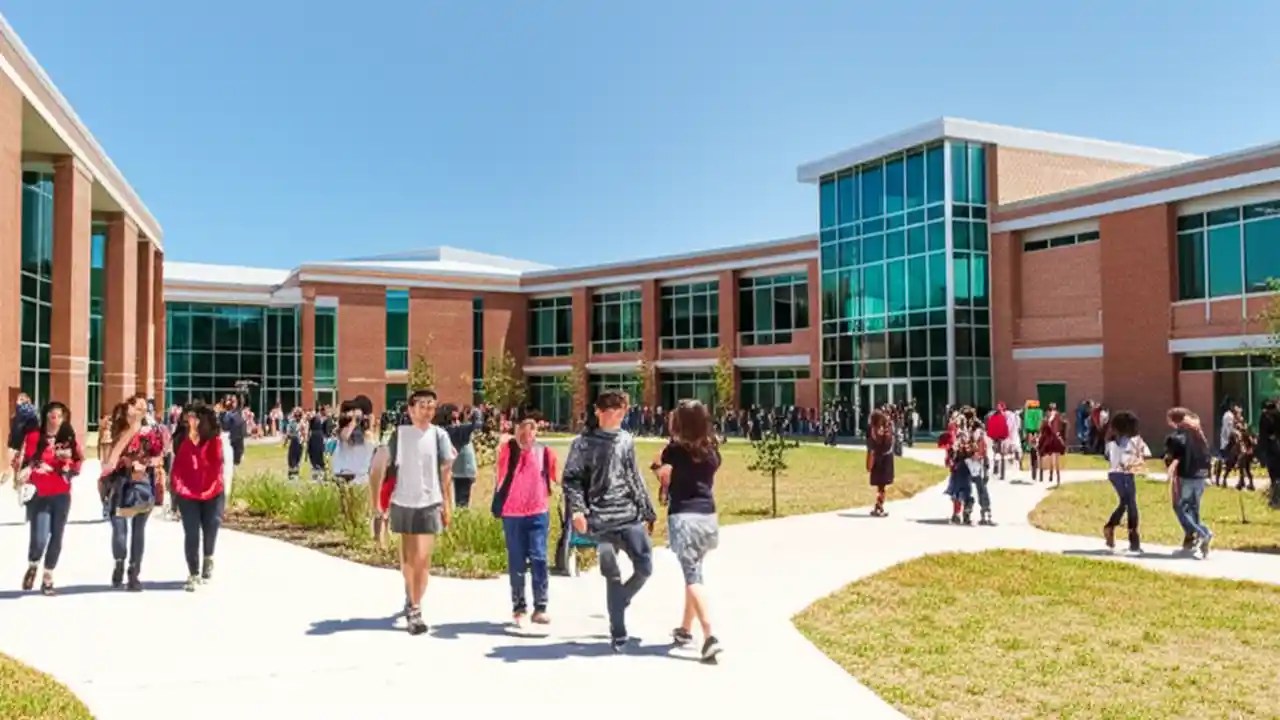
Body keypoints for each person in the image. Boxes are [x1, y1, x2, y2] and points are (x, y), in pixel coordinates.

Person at [562, 390, 657, 652]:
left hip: (628, 516)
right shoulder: (583, 443)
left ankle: (620, 600)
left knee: (645, 566)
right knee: (611, 573)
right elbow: (571, 480)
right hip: (600, 520)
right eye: (612, 411)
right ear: (599, 412)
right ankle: (618, 630)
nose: (617, 416)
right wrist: (578, 510)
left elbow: (634, 476)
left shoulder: (626, 440)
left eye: (621, 411)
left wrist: (647, 510)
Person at [654, 399, 723, 663]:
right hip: (708, 516)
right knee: (694, 572)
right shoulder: (711, 450)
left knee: (693, 577)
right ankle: (685, 629)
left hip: (684, 516)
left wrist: (658, 471)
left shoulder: (673, 451)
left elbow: (665, 473)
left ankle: (709, 636)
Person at [384, 389, 455, 635]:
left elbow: (447, 473)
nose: (427, 411)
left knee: (422, 558)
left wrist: (447, 504)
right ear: (410, 409)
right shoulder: (399, 436)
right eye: (423, 405)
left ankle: (415, 609)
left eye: (431, 406)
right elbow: (385, 467)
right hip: (402, 503)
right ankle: (410, 593)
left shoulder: (439, 436)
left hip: (430, 503)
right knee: (407, 559)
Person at [493, 413, 558, 628]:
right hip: (512, 514)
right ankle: (519, 607)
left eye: (531, 429)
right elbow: (499, 470)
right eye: (523, 428)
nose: (527, 434)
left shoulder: (545, 452)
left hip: (538, 512)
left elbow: (557, 477)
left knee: (539, 558)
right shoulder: (507, 451)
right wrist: (506, 443)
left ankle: (541, 606)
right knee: (517, 562)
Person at [103, 394, 168, 590]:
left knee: (139, 529)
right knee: (119, 530)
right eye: (136, 406)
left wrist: (144, 463)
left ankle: (134, 572)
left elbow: (159, 457)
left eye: (143, 408)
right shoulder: (115, 430)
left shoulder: (151, 433)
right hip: (120, 485)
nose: (139, 410)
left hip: (141, 484)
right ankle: (119, 562)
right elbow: (107, 461)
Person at [18, 402, 82, 595]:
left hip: (62, 493)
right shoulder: (34, 437)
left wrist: (68, 467)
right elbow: (29, 460)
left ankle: (48, 576)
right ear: (46, 417)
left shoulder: (68, 438)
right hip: (40, 493)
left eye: (59, 416)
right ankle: (33, 564)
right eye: (52, 416)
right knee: (39, 537)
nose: (55, 420)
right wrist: (35, 467)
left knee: (57, 535)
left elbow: (78, 461)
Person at [171, 402, 226, 591]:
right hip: (187, 491)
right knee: (192, 532)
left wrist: (197, 439)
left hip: (212, 490)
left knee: (211, 526)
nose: (191, 423)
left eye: (195, 419)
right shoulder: (180, 439)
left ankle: (208, 556)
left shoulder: (216, 441)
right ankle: (193, 572)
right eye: (189, 419)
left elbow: (216, 463)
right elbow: (177, 464)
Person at [1165, 407, 1213, 559]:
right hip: (1200, 476)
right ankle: (1196, 538)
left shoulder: (1176, 437)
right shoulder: (1199, 435)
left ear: (1174, 420)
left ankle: (1203, 533)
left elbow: (1173, 458)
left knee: (1181, 507)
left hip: (1186, 476)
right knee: (1194, 509)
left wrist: (1170, 469)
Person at [1102, 410, 1147, 554]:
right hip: (1124, 474)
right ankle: (1133, 540)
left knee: (1126, 503)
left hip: (1116, 475)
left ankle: (1111, 527)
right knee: (1130, 504)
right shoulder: (1133, 440)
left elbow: (1108, 457)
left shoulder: (1111, 442)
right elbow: (1144, 454)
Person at [443, 403, 479, 508]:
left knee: (458, 498)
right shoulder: (461, 430)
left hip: (456, 469)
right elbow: (476, 425)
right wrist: (475, 413)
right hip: (466, 470)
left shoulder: (445, 431)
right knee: (463, 501)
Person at [866, 408, 894, 517]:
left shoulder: (873, 430)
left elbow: (871, 446)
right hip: (885, 460)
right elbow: (887, 443)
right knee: (881, 486)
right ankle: (879, 506)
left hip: (878, 459)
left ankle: (879, 506)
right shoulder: (884, 430)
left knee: (880, 486)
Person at [6, 393, 38, 490]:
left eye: (22, 399)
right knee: (16, 462)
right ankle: (16, 481)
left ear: (27, 400)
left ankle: (18, 481)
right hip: (17, 440)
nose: (19, 401)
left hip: (22, 440)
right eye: (19, 399)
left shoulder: (27, 411)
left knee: (19, 461)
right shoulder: (21, 412)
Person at [1037, 402, 1067, 486]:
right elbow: (1043, 429)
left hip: (1053, 439)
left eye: (1052, 410)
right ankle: (1051, 474)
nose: (1051, 412)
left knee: (1054, 458)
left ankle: (1056, 476)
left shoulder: (1054, 418)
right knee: (1051, 458)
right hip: (1051, 439)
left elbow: (1062, 427)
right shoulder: (1049, 419)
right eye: (1051, 410)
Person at [220, 395, 247, 468]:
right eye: (229, 401)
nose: (230, 403)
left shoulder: (238, 414)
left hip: (235, 441)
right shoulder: (222, 414)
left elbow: (240, 431)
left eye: (233, 401)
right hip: (225, 441)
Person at [284, 408, 305, 480]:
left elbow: (288, 434)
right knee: (298, 458)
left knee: (292, 458)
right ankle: (296, 473)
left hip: (294, 441)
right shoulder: (303, 423)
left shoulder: (292, 423)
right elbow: (304, 434)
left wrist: (285, 442)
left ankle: (292, 474)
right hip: (300, 442)